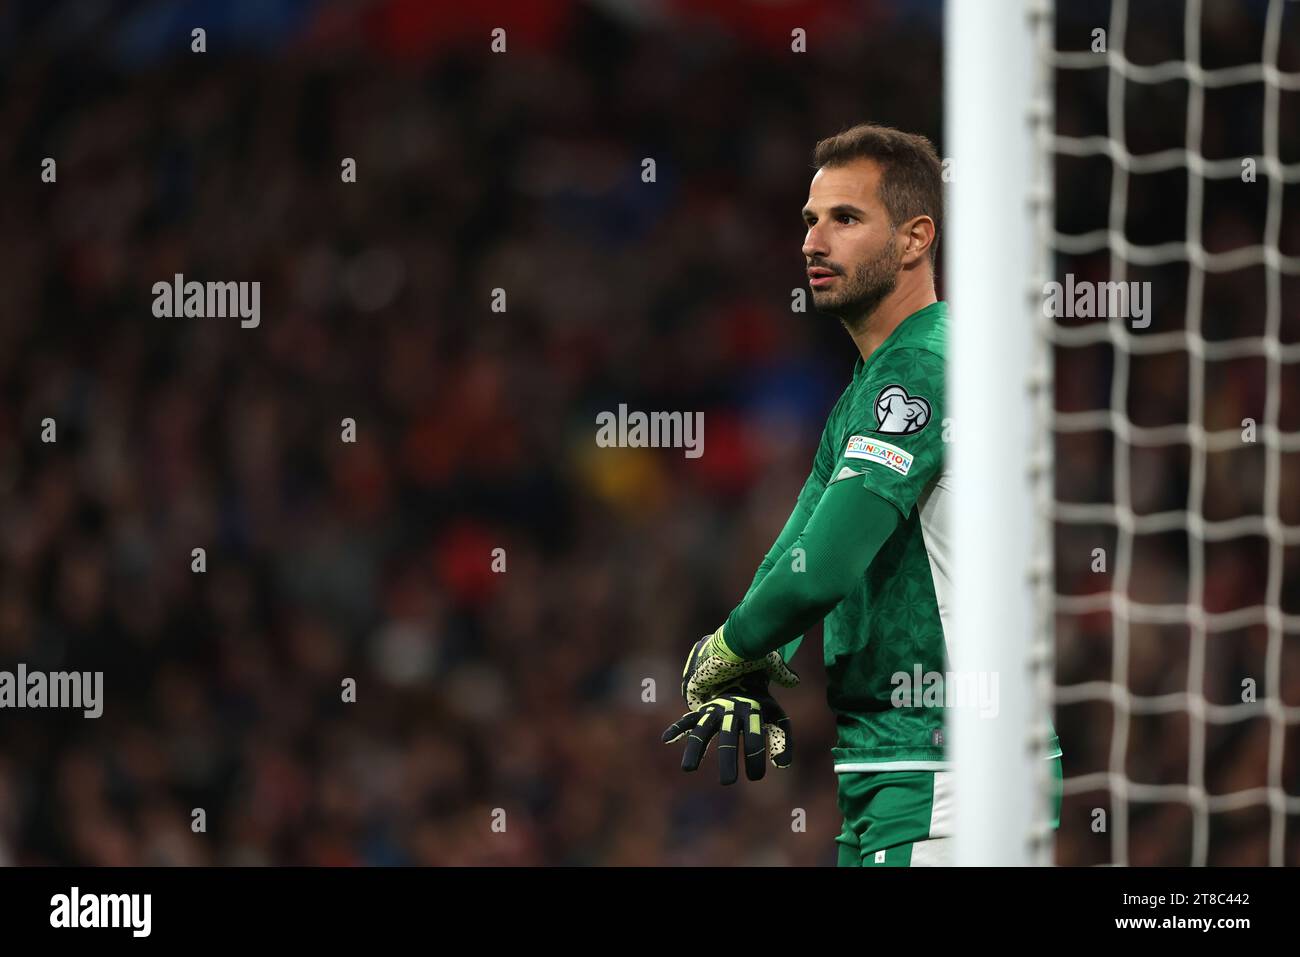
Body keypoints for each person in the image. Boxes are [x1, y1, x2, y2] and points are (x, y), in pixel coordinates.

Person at [663, 123, 1062, 867]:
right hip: (899, 773)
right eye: (809, 221)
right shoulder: (874, 385)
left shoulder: (924, 369)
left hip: (949, 769)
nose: (814, 242)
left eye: (845, 219)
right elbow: (798, 544)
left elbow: (823, 570)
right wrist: (756, 656)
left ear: (915, 239)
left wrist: (727, 648)